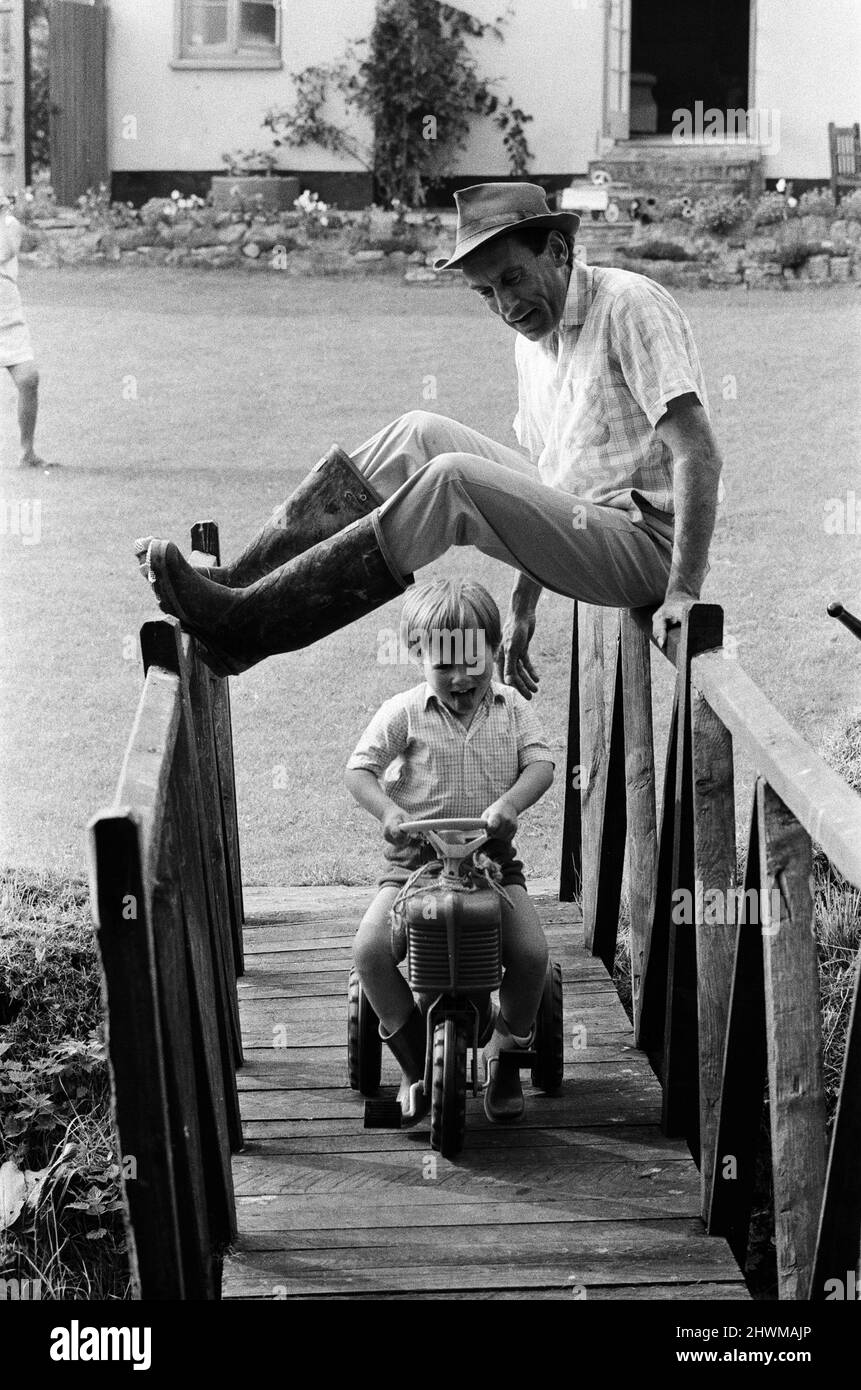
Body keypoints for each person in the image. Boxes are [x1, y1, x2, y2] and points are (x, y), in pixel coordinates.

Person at [136, 181, 724, 689]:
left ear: (559, 249)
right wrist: (523, 604)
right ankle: (241, 581)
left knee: (452, 482)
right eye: (486, 293)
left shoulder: (628, 306)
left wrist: (682, 593)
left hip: (645, 545)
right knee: (417, 434)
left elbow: (697, 452)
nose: (507, 305)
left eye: (513, 278)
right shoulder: (533, 343)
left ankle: (247, 628)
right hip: (584, 520)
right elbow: (551, 481)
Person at [345, 577, 554, 1123]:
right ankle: (415, 1065)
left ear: (495, 649)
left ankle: (506, 1057)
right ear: (418, 656)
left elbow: (541, 764)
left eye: (474, 662)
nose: (461, 676)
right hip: (415, 867)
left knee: (531, 955)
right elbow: (359, 770)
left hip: (490, 866)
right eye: (444, 664)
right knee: (370, 951)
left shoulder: (511, 708)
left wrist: (510, 802)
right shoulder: (405, 712)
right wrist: (390, 812)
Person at [0, 192, 50, 468]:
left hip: (7, 315)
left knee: (29, 378)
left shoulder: (10, 225)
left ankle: (26, 453)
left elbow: (4, 252)